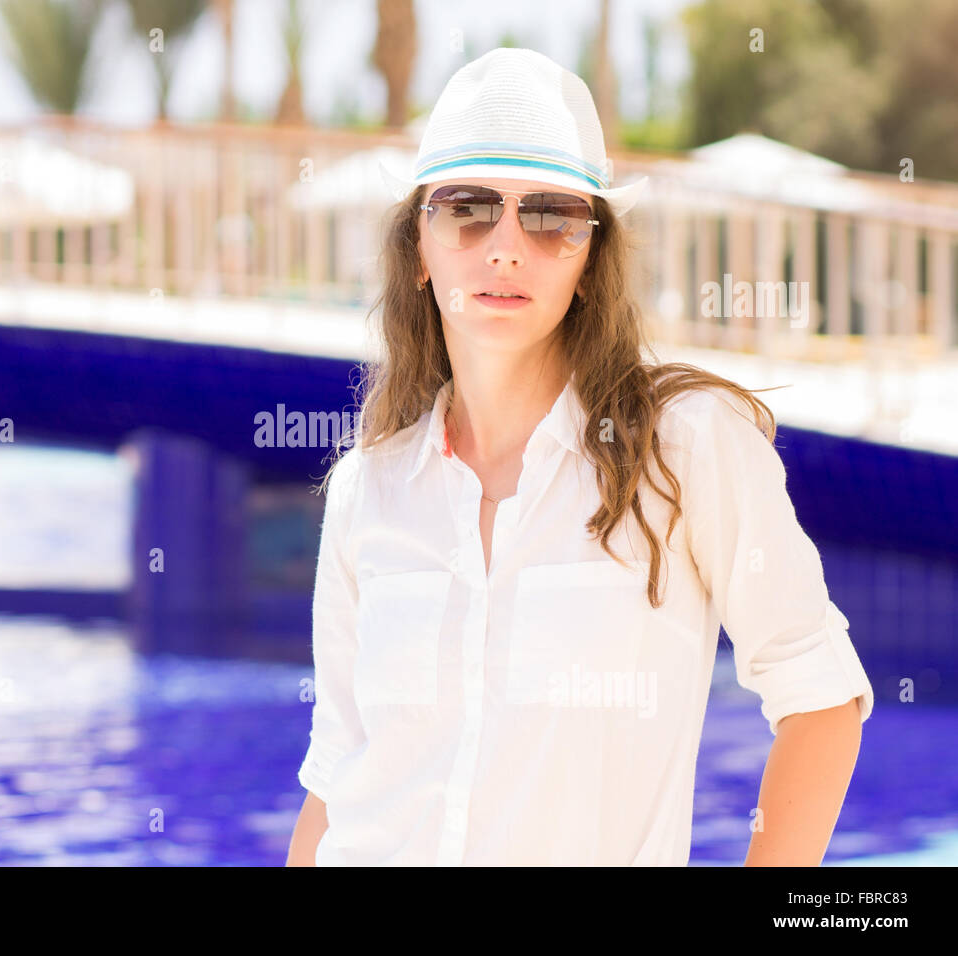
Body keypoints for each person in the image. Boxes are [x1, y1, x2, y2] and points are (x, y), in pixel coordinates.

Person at [285, 47, 872, 866]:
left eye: (551, 216)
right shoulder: (366, 488)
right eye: (466, 209)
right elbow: (336, 776)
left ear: (591, 258)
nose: (505, 247)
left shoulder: (686, 449)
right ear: (418, 248)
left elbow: (821, 699)